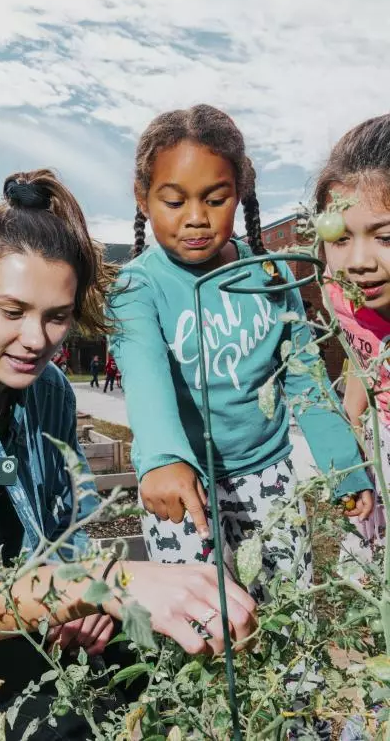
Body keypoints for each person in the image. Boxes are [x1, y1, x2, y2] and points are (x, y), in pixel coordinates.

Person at [0, 168, 256, 740]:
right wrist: (101, 582)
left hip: (30, 630)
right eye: (12, 311)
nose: (37, 339)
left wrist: (90, 604)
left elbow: (67, 524)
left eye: (56, 317)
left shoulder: (49, 391)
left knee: (173, 683)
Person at [108, 105, 374, 737]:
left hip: (269, 483)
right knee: (210, 636)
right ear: (144, 199)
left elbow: (305, 374)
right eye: (173, 201)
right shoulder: (137, 287)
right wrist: (162, 460)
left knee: (288, 625)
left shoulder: (270, 273)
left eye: (215, 198)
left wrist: (344, 467)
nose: (195, 218)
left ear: (241, 194)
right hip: (184, 495)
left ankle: (299, 724)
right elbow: (143, 376)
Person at [316, 114, 390, 581]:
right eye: (340, 239)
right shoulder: (336, 288)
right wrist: (353, 427)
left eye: (385, 237)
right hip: (382, 439)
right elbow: (361, 356)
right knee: (367, 583)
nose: (359, 262)